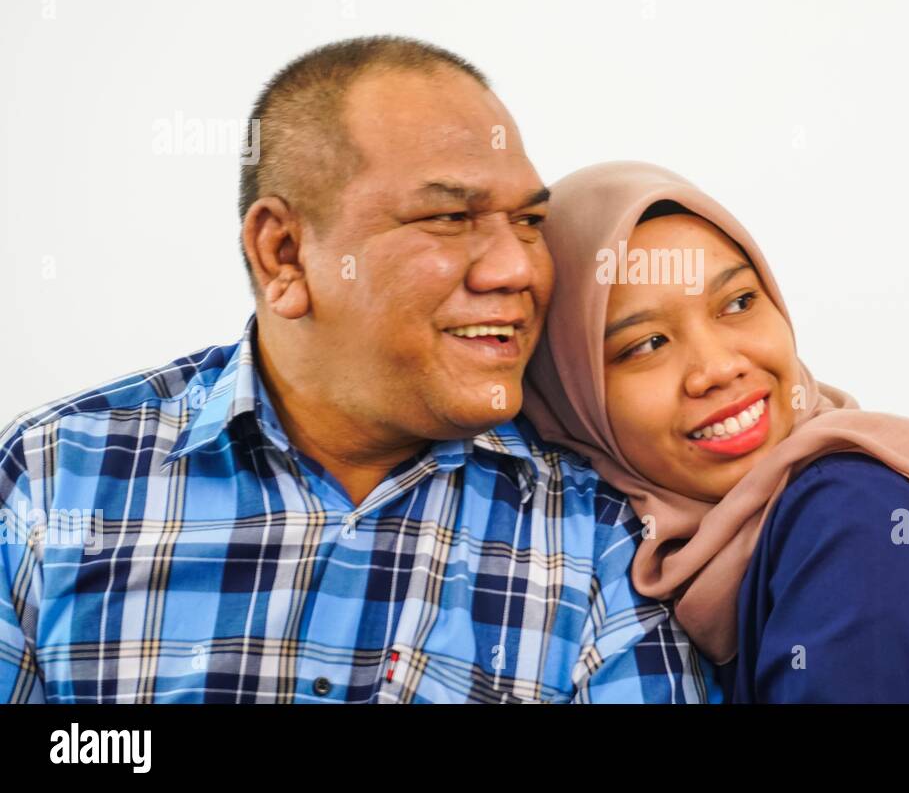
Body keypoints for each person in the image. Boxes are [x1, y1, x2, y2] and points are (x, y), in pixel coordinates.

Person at [0, 38, 719, 703]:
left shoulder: (603, 536)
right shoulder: (53, 476)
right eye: (449, 218)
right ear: (284, 255)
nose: (519, 268)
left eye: (529, 222)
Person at [522, 161, 909, 703]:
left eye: (736, 303)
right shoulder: (622, 554)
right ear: (568, 395)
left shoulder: (852, 515)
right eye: (647, 344)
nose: (720, 367)